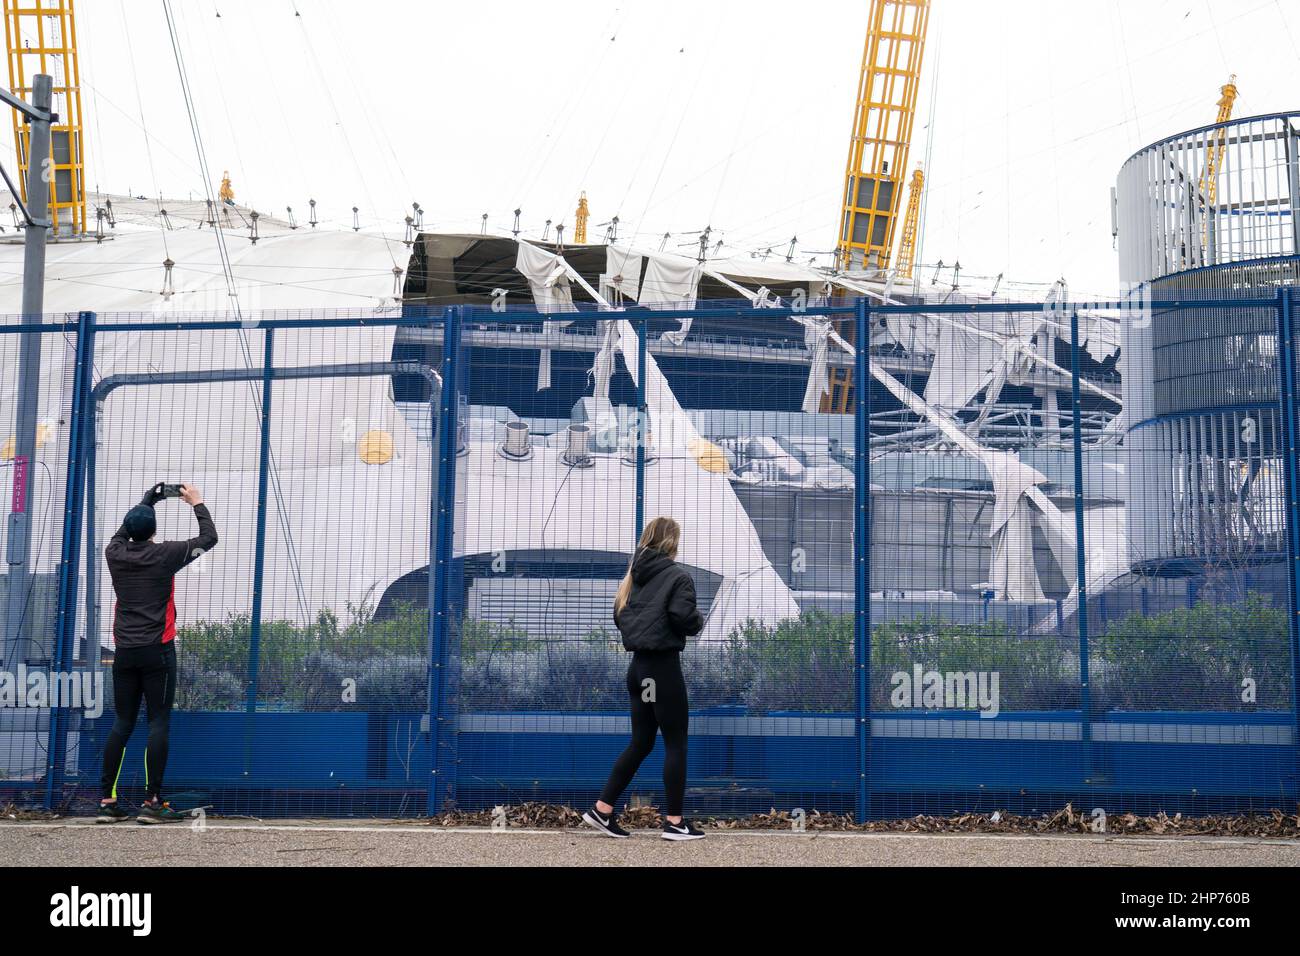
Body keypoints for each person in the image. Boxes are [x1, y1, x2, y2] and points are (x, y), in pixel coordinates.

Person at [96, 483, 218, 824]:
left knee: (122, 722)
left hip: (124, 654)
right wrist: (197, 501)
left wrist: (147, 500)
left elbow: (125, 530)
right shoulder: (165, 554)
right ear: (154, 531)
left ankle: (107, 801)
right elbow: (209, 538)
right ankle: (152, 802)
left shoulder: (114, 554)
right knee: (158, 723)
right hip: (158, 653)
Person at [583, 516, 705, 841]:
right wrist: (698, 621)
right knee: (675, 743)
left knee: (641, 742)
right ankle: (676, 823)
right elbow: (683, 617)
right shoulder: (678, 577)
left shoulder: (633, 577)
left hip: (639, 672)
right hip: (662, 671)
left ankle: (603, 809)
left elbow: (620, 616)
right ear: (672, 543)